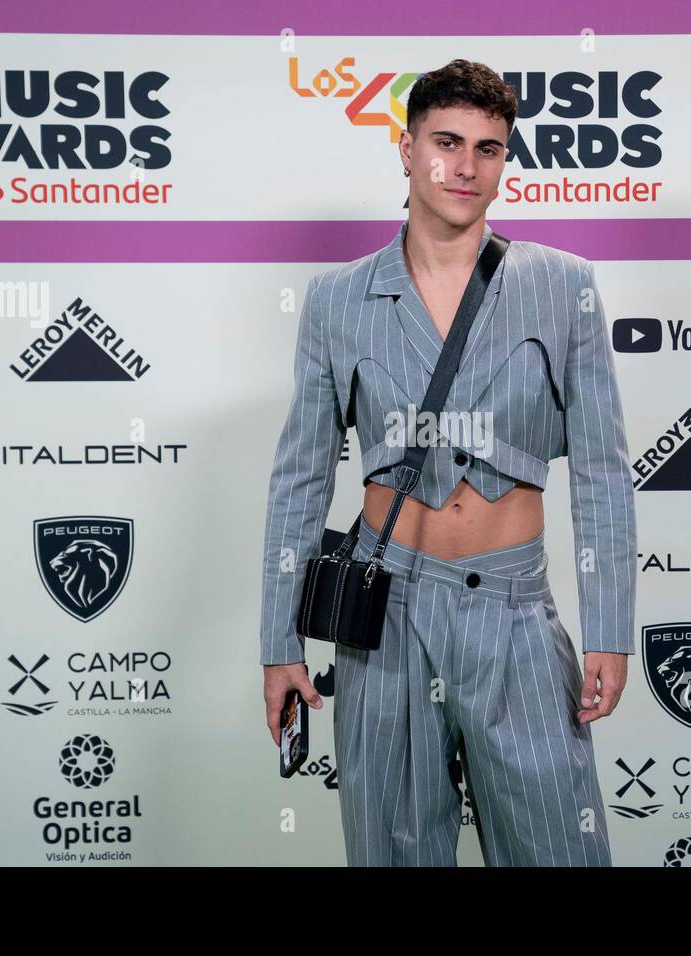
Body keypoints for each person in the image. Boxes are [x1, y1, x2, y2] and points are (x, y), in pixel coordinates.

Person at [259, 59, 637, 866]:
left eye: (490, 149)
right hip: (384, 615)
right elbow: (301, 476)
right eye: (447, 142)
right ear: (405, 150)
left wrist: (610, 627)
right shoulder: (336, 300)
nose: (466, 167)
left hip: (512, 611)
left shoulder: (561, 286)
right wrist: (279, 643)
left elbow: (603, 469)